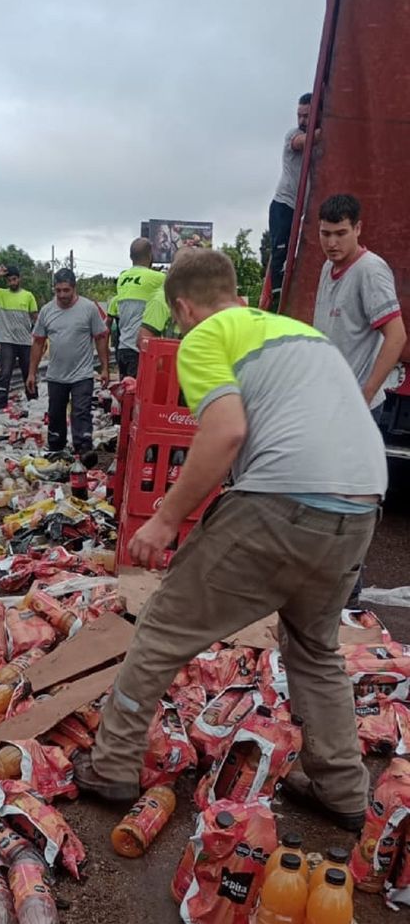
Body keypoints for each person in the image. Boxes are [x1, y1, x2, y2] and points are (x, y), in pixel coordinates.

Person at [74, 248, 387, 834]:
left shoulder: (204, 337)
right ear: (237, 294)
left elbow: (226, 431)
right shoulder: (301, 335)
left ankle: (112, 766)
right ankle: (342, 788)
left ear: (183, 308)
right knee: (315, 650)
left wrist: (165, 520)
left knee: (163, 628)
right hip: (360, 506)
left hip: (280, 500)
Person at [313, 193, 406, 426]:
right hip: (328, 400)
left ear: (357, 229)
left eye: (341, 233)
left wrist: (365, 396)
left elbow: (397, 336)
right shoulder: (328, 266)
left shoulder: (370, 271)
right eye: (325, 233)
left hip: (355, 407)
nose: (332, 243)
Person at [27, 268, 109, 466]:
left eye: (66, 290)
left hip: (82, 374)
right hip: (56, 375)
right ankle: (56, 448)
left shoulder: (88, 309)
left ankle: (84, 449)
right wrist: (31, 373)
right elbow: (38, 342)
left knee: (81, 412)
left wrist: (105, 368)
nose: (62, 295)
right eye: (58, 291)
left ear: (74, 288)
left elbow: (101, 337)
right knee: (55, 413)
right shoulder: (47, 311)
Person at [268, 92, 319, 301]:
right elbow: (303, 142)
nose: (302, 121)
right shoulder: (294, 135)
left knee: (298, 251)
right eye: (299, 115)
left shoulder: (319, 143)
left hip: (304, 209)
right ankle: (277, 293)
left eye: (307, 116)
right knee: (281, 250)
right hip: (284, 204)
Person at [0, 263, 37, 410]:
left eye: (14, 279)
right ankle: (0, 407)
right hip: (7, 341)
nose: (12, 283)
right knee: (4, 374)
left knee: (28, 372)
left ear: (19, 279)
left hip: (25, 341)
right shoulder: (1, 294)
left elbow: (36, 318)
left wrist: (39, 338)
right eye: (9, 280)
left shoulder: (28, 296)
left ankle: (33, 402)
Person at [107, 238, 165, 377]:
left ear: (130, 256)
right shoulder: (159, 278)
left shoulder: (122, 279)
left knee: (126, 388)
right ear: (150, 255)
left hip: (122, 348)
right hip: (140, 350)